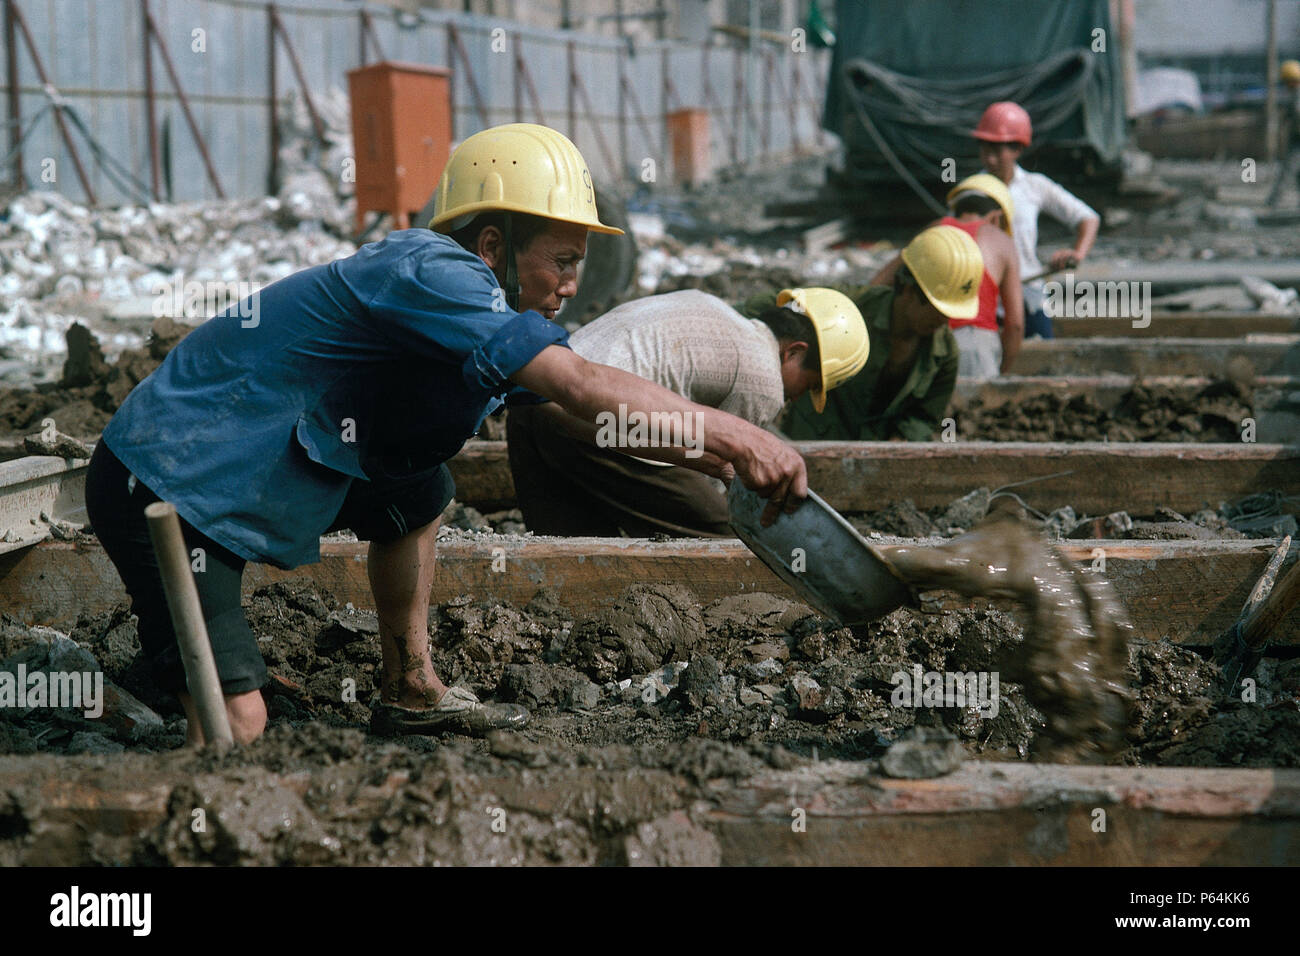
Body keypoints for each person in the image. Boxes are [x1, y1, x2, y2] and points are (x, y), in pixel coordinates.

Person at [85, 123, 808, 745]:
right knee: (238, 729)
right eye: (562, 261)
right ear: (493, 242)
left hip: (245, 472)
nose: (570, 286)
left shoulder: (476, 311)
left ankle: (410, 687)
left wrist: (716, 457)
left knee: (418, 490)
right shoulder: (434, 272)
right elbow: (583, 384)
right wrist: (742, 436)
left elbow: (593, 414)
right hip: (168, 482)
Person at [507, 287, 868, 537]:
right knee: (720, 537)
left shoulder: (716, 308)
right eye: (810, 383)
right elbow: (722, 468)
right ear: (794, 351)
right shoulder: (765, 381)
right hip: (589, 420)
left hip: (531, 399)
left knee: (574, 549)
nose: (800, 397)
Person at [742, 224, 982, 441]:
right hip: (812, 443)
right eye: (938, 309)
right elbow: (769, 306)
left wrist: (900, 440)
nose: (944, 320)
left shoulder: (945, 352)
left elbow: (926, 413)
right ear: (908, 289)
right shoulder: (847, 308)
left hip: (877, 464)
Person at [870, 173, 1023, 379]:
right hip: (974, 347)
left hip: (923, 341)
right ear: (997, 217)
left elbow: (877, 285)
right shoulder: (1001, 241)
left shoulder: (932, 231)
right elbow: (1015, 325)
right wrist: (1002, 372)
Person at [974, 101, 1100, 340]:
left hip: (1028, 295)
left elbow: (1088, 218)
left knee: (1042, 365)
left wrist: (1077, 254)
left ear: (1018, 149)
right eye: (985, 148)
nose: (990, 159)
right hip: (984, 301)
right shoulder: (970, 192)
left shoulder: (1035, 186)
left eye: (997, 150)